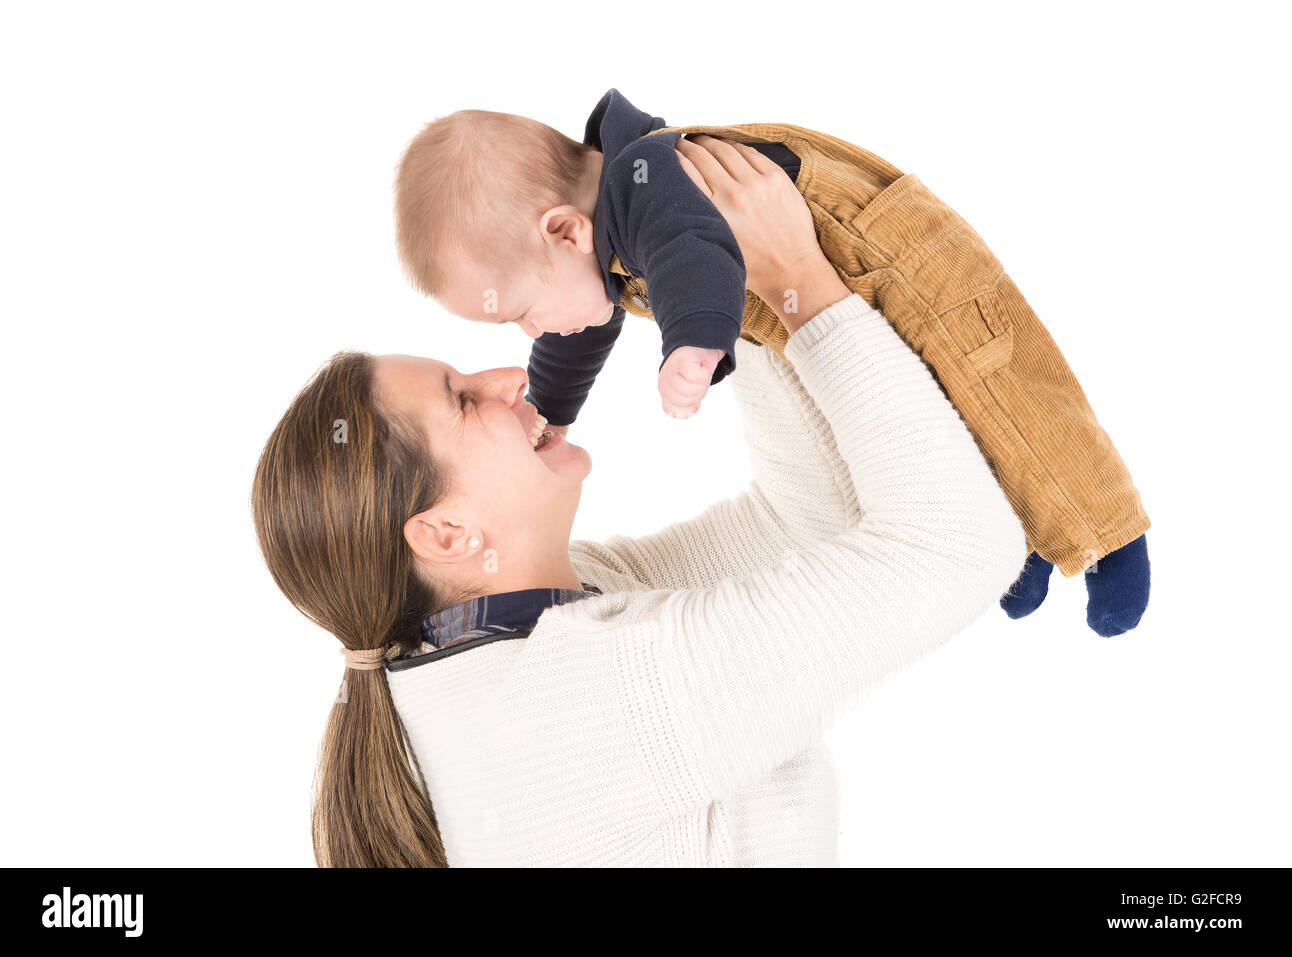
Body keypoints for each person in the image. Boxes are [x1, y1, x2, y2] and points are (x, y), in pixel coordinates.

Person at [252, 141, 1027, 866]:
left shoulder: (528, 615)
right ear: (445, 532)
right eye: (462, 400)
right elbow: (962, 544)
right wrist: (803, 284)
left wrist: (720, 279)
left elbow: (803, 527)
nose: (511, 377)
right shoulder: (580, 704)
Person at [392, 89, 1151, 636]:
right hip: (829, 279)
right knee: (937, 416)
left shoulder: (643, 183)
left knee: (996, 385)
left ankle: (1109, 533)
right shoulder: (603, 232)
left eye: (518, 310)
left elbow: (693, 258)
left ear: (562, 231)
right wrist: (551, 409)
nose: (530, 331)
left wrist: (692, 344)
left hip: (887, 254)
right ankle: (1030, 540)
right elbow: (578, 332)